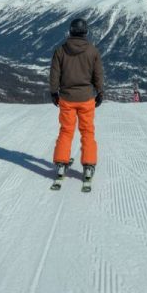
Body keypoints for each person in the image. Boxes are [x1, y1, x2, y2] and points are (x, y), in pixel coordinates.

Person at [49, 18, 104, 182]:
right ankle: (88, 166)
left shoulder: (60, 51)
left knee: (66, 131)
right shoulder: (92, 51)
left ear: (71, 31)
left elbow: (54, 74)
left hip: (66, 98)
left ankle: (60, 164)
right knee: (87, 131)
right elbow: (98, 75)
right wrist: (99, 91)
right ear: (85, 32)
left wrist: (54, 92)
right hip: (87, 98)